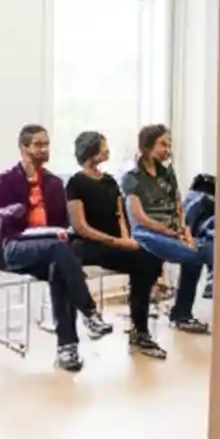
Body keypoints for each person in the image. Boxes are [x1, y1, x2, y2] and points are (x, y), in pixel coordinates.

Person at [0, 124, 113, 372]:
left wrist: (66, 231)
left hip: (50, 247)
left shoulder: (54, 183)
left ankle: (68, 349)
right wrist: (12, 211)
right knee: (60, 253)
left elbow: (62, 224)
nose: (44, 149)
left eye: (47, 144)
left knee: (61, 268)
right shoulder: (6, 179)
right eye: (38, 144)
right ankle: (90, 313)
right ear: (24, 148)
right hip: (16, 247)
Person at [65, 132, 167, 359]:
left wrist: (126, 241)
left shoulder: (110, 181)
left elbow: (120, 215)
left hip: (113, 244)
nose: (108, 150)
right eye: (104, 147)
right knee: (142, 259)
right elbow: (80, 226)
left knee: (149, 257)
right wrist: (115, 242)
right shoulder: (76, 182)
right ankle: (91, 322)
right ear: (91, 151)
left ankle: (140, 331)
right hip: (87, 244)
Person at [121, 124, 212, 333]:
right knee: (194, 256)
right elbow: (139, 217)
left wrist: (184, 229)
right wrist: (165, 230)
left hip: (170, 231)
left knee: (198, 251)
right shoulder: (132, 177)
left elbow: (178, 204)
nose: (167, 149)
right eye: (163, 144)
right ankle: (180, 314)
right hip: (146, 233)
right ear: (147, 146)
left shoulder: (167, 173)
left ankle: (181, 313)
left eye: (168, 144)